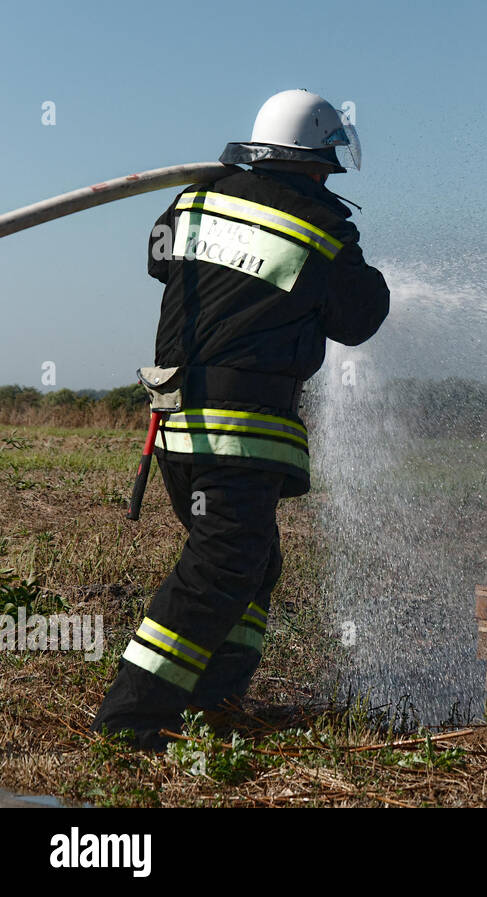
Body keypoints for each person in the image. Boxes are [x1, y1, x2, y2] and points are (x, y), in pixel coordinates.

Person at [91, 90, 389, 750]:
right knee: (223, 565)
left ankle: (213, 698)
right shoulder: (321, 225)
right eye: (326, 165)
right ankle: (131, 721)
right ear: (314, 160)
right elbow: (361, 317)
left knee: (253, 564)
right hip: (237, 434)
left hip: (173, 428)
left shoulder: (194, 200)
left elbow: (158, 259)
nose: (327, 176)